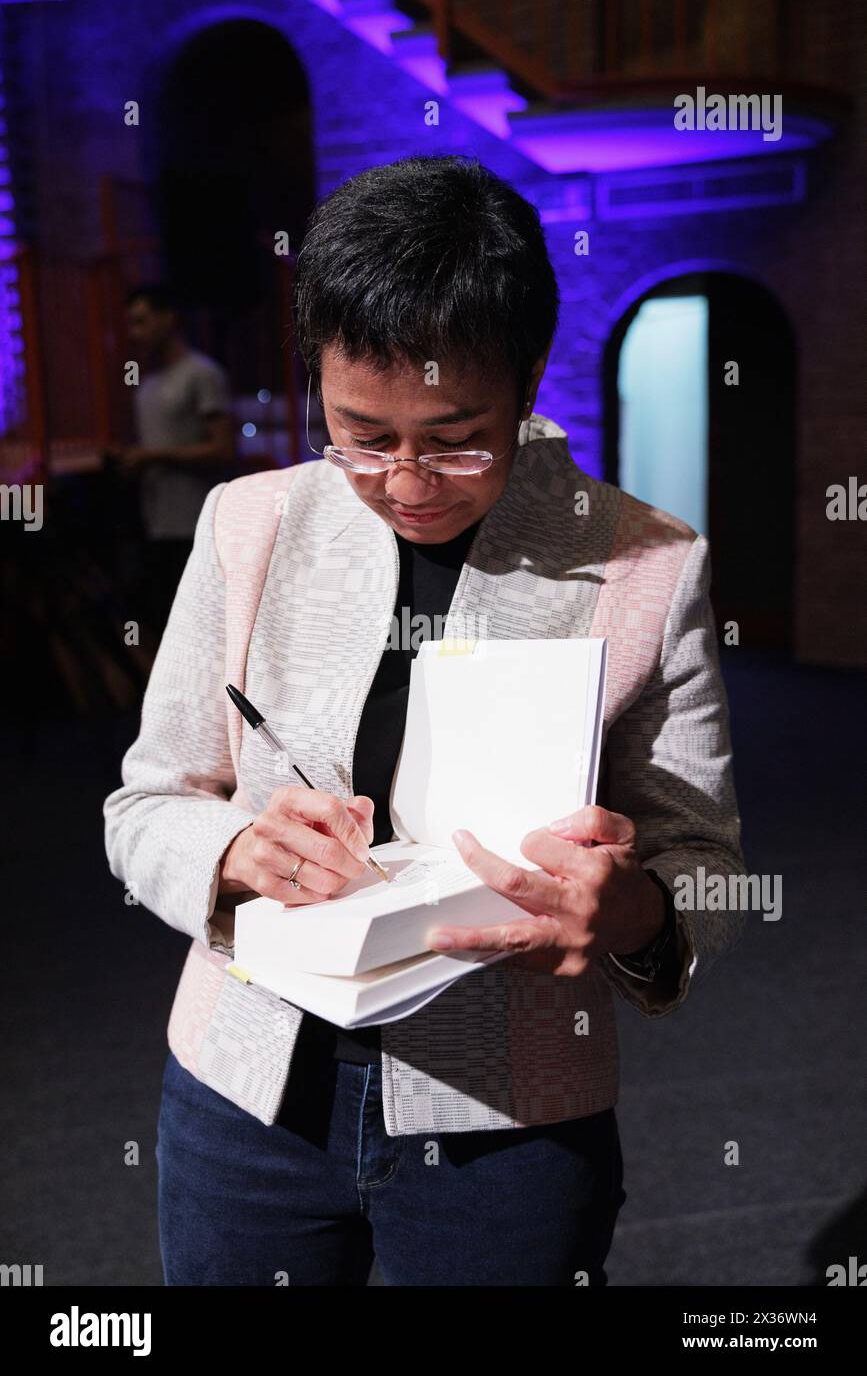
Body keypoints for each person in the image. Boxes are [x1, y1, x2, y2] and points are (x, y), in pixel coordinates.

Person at [103, 156, 746, 1287]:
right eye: (360, 434)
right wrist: (236, 851)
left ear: (533, 376)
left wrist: (634, 907)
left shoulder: (646, 559)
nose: (405, 481)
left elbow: (711, 867)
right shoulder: (252, 525)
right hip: (246, 1094)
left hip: (510, 1117)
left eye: (455, 438)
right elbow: (146, 801)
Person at [119, 283, 235, 635]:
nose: (134, 332)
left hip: (196, 524)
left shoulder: (202, 374)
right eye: (130, 324)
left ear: (168, 319)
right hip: (157, 523)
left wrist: (152, 455)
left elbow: (223, 449)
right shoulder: (148, 383)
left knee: (205, 631)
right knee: (164, 627)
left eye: (141, 321)